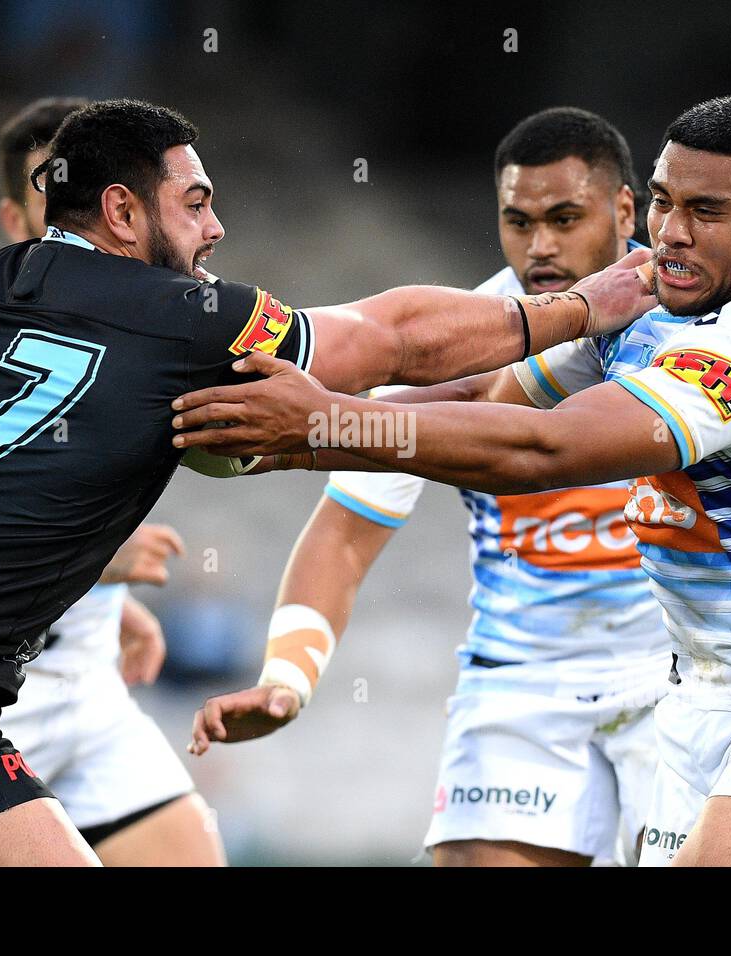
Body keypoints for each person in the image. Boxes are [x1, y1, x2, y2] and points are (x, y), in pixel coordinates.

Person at [0, 98, 654, 867]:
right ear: (125, 213)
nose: (216, 228)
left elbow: (36, 466)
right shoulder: (174, 317)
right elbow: (388, 338)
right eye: (196, 202)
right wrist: (582, 310)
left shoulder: (5, 280)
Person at [175, 95, 731, 866]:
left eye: (706, 212)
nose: (673, 233)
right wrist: (300, 440)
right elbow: (487, 396)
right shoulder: (643, 295)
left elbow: (543, 450)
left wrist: (318, 424)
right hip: (684, 697)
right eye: (669, 205)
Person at [191, 108, 666, 867]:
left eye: (564, 218)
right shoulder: (467, 333)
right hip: (523, 682)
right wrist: (286, 678)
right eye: (518, 221)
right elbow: (344, 537)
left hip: (681, 679)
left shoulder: (700, 320)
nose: (540, 245)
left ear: (624, 211)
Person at [0, 98, 224, 866]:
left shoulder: (143, 324)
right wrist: (101, 559)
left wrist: (109, 606)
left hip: (88, 688)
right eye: (48, 193)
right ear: (14, 216)